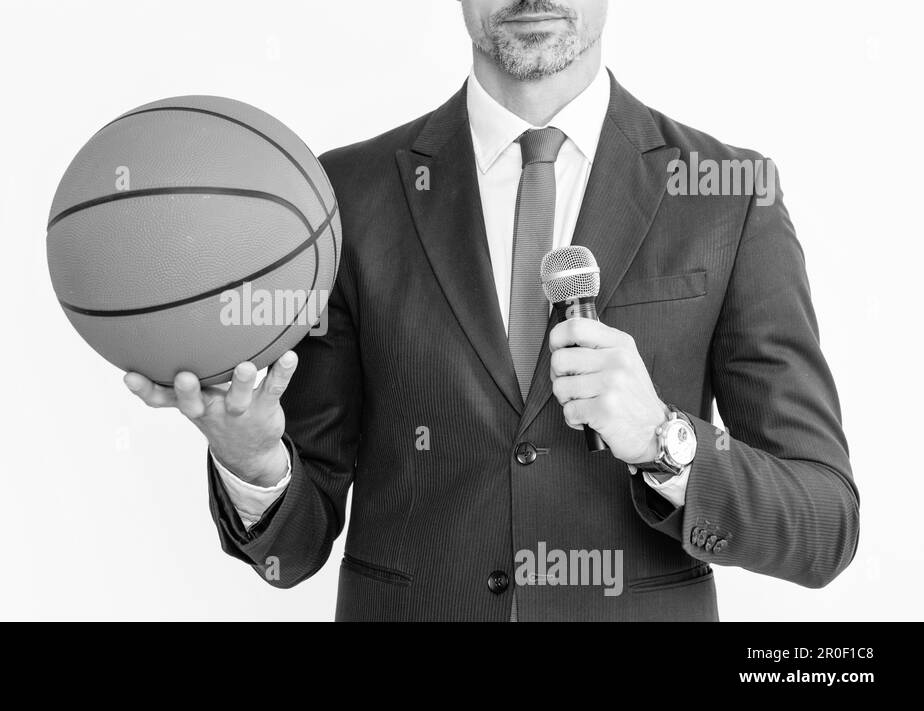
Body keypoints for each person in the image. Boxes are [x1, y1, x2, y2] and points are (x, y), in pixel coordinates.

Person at [124, 0, 859, 620]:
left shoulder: (729, 196)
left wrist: (662, 439)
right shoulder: (340, 200)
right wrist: (251, 457)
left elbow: (824, 526)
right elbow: (297, 546)